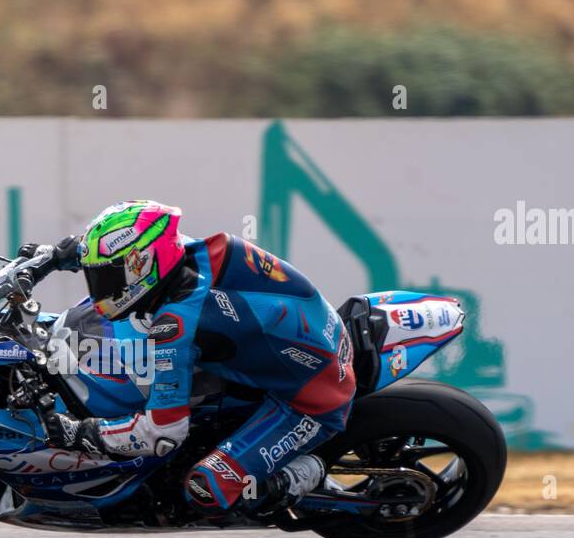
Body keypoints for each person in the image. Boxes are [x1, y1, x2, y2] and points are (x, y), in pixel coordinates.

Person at [43, 199, 356, 513]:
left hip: (311, 398)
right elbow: (104, 254)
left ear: (142, 265)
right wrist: (57, 257)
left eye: (108, 279)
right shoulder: (182, 252)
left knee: (205, 489)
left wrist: (83, 432)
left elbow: (163, 433)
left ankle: (304, 476)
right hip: (304, 343)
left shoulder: (175, 325)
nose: (101, 290)